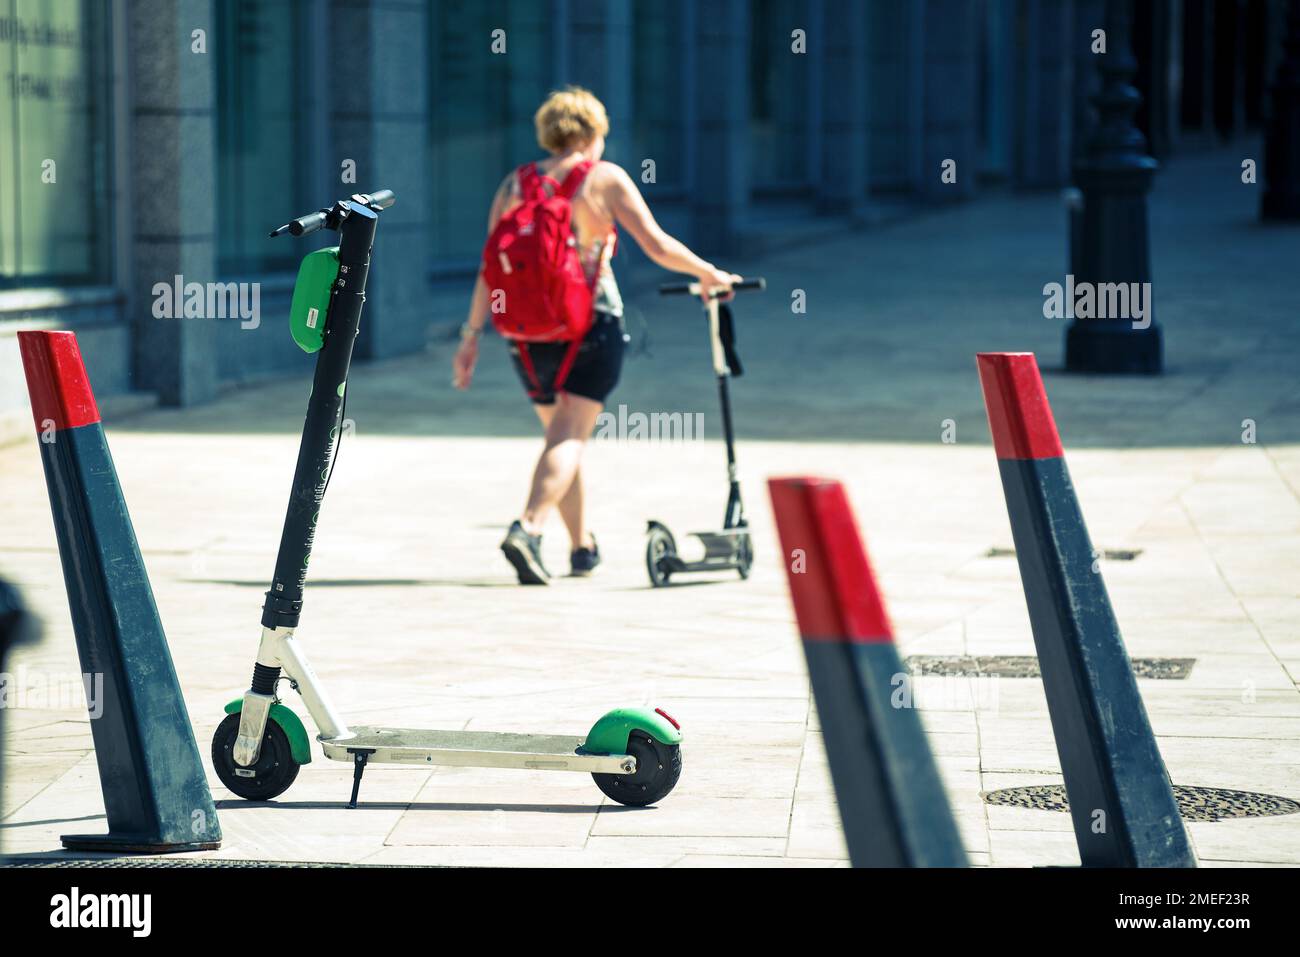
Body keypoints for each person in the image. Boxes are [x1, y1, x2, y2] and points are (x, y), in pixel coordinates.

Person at [452, 86, 740, 585]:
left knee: (562, 437)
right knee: (569, 436)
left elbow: (488, 267)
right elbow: (655, 244)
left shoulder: (513, 185)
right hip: (590, 325)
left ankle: (582, 547)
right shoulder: (603, 179)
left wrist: (471, 335)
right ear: (592, 133)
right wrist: (708, 272)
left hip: (526, 334)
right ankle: (528, 528)